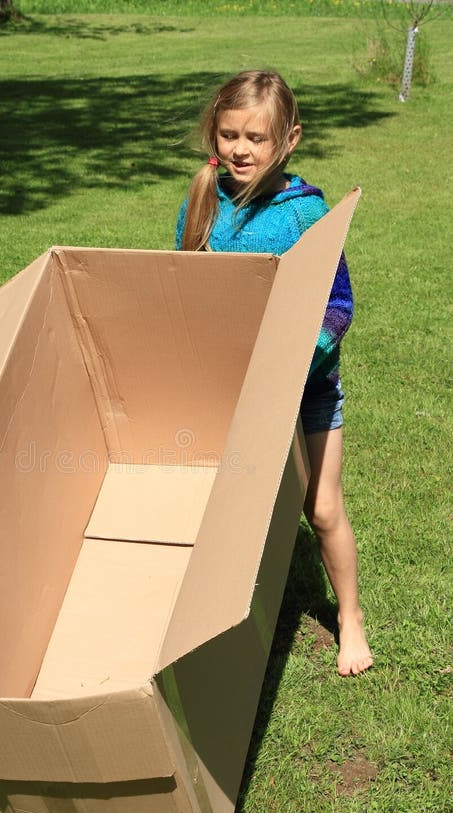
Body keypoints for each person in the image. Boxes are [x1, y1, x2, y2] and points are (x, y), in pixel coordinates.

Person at [176, 69, 373, 676]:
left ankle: (350, 619)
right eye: (229, 135)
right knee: (228, 507)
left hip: (307, 390)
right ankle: (221, 620)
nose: (240, 149)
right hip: (230, 388)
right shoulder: (201, 200)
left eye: (256, 138)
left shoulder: (304, 213)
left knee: (322, 508)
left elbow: (338, 306)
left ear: (288, 140)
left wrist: (292, 362)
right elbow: (185, 286)